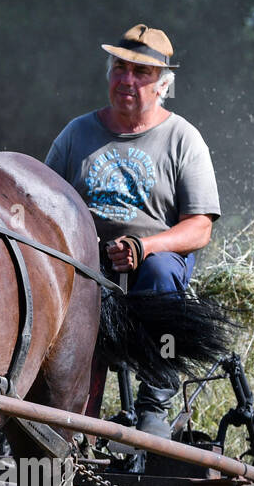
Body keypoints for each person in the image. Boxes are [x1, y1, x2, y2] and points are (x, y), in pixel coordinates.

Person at [44, 24, 221, 438]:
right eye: (120, 68)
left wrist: (145, 247)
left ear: (162, 85)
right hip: (84, 262)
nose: (127, 80)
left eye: (141, 73)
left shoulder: (183, 139)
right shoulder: (76, 134)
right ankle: (60, 412)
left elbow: (199, 228)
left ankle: (154, 403)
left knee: (160, 272)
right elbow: (42, 203)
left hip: (151, 267)